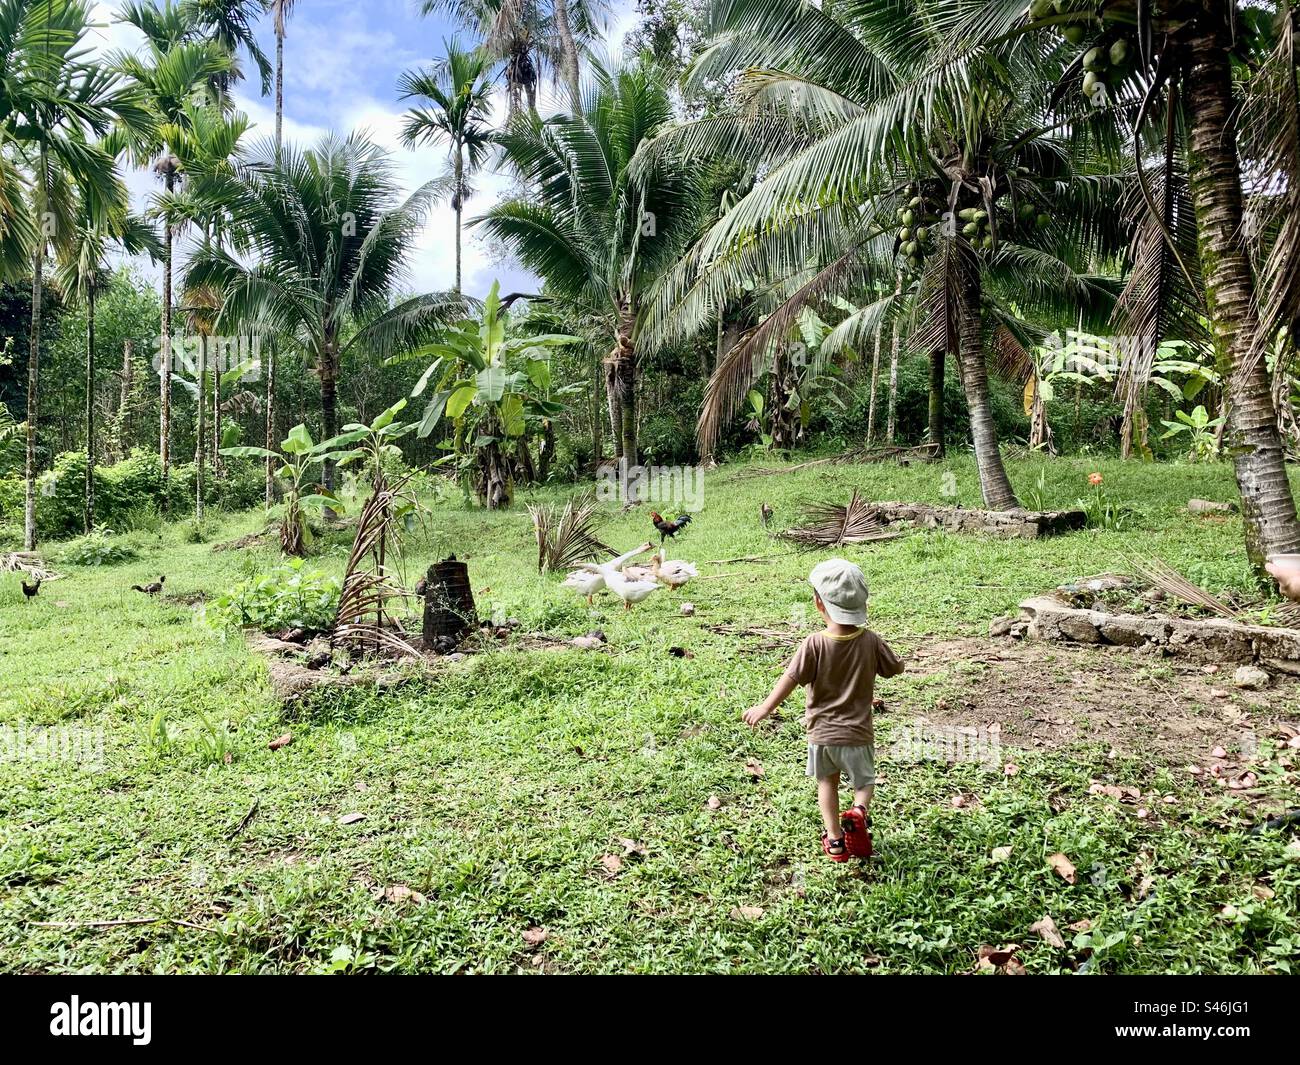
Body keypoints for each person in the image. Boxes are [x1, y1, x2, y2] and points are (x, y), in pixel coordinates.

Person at [743, 559, 904, 861]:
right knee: (865, 782)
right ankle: (859, 810)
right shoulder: (870, 641)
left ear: (819, 602)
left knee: (826, 784)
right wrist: (899, 662)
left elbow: (790, 679)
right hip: (858, 734)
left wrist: (765, 708)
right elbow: (894, 668)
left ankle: (835, 842)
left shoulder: (813, 644)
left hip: (822, 736)